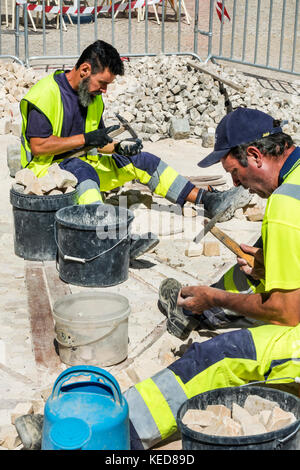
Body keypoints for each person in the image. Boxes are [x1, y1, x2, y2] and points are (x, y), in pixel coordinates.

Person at [123, 107, 300, 449]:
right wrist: (270, 263)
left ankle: (113, 427)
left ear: (254, 155)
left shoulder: (286, 206)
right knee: (251, 273)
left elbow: (288, 312)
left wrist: (215, 297)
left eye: (235, 173)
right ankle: (195, 309)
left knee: (218, 357)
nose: (235, 185)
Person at [20, 40, 250, 259]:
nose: (104, 90)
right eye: (103, 83)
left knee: (144, 161)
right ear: (84, 70)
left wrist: (119, 147)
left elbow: (98, 141)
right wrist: (85, 139)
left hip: (83, 162)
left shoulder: (92, 97)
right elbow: (39, 147)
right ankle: (115, 240)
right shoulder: (45, 93)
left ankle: (206, 199)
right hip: (47, 171)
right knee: (83, 172)